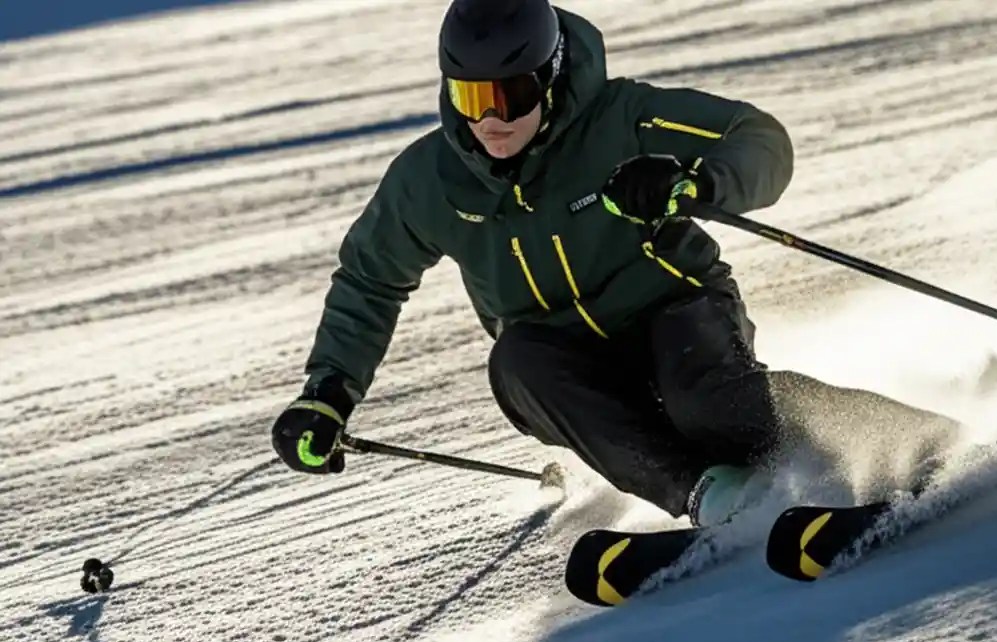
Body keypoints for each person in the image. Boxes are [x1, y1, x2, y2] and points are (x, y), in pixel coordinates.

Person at [271, 0, 956, 527]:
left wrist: (694, 182)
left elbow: (757, 137)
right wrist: (328, 393)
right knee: (516, 361)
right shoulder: (429, 181)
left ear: (550, 74)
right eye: (470, 97)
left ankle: (908, 444)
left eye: (509, 95)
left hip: (675, 308)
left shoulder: (620, 119)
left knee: (706, 404)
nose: (491, 119)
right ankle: (714, 498)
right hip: (565, 363)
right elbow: (369, 280)